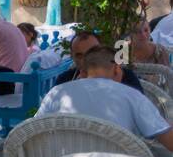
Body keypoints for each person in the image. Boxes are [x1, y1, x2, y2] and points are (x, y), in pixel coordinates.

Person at [36, 45, 173, 151]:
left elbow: (33, 131)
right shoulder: (132, 96)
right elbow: (168, 140)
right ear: (116, 69)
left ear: (83, 72)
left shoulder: (57, 93)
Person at [54, 30, 145, 92]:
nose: (86, 60)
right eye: (79, 55)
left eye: (92, 53)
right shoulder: (64, 80)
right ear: (72, 57)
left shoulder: (125, 77)